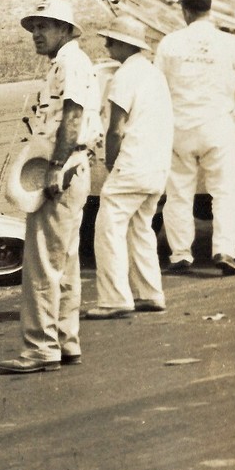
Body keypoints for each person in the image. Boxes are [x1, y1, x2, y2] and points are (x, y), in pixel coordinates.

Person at [0, 0, 100, 373]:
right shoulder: (67, 62)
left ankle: (40, 347)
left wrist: (56, 167)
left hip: (62, 168)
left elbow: (72, 117)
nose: (37, 34)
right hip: (71, 167)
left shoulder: (71, 63)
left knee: (42, 265)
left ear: (65, 30)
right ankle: (65, 340)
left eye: (45, 26)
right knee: (65, 262)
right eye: (35, 27)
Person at [155, 0, 235, 276]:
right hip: (217, 125)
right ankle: (224, 251)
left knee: (178, 193)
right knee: (225, 191)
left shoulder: (169, 43)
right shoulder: (229, 43)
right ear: (209, 10)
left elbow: (158, 86)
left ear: (185, 11)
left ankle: (180, 254)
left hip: (179, 127)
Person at [84, 17, 174, 319]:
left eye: (111, 40)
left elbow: (116, 129)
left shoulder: (123, 76)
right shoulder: (153, 74)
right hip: (156, 166)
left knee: (108, 229)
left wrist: (111, 162)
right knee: (141, 228)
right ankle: (150, 293)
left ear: (126, 44)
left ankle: (114, 299)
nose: (107, 45)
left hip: (132, 164)